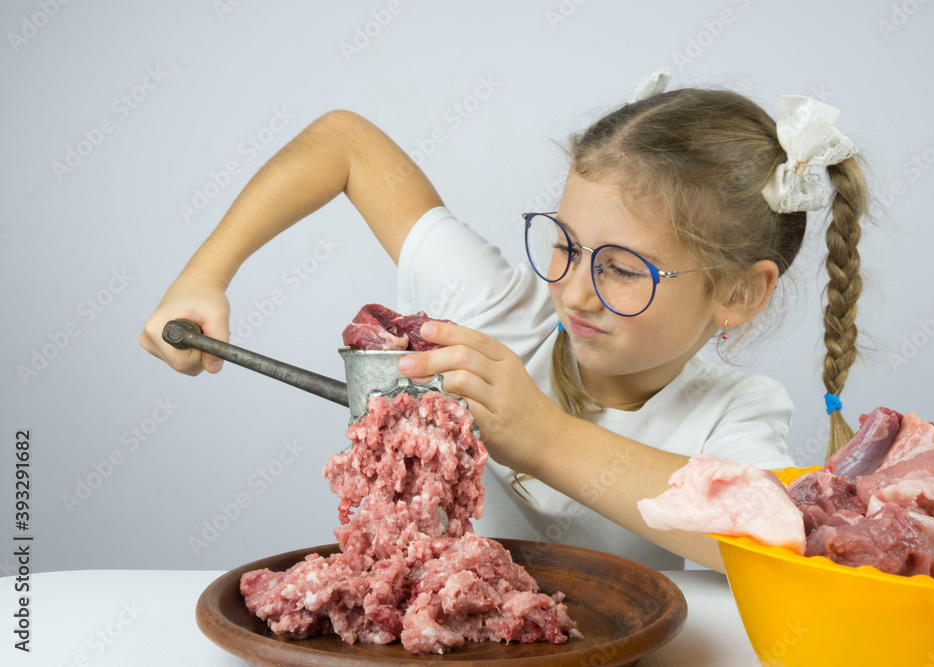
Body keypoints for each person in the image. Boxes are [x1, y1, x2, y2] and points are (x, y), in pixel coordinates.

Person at [140, 70, 869, 572]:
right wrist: (205, 274)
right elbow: (345, 142)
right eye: (565, 245)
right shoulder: (496, 309)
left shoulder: (735, 413)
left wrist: (543, 437)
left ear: (738, 295)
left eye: (621, 267)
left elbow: (771, 529)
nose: (575, 292)